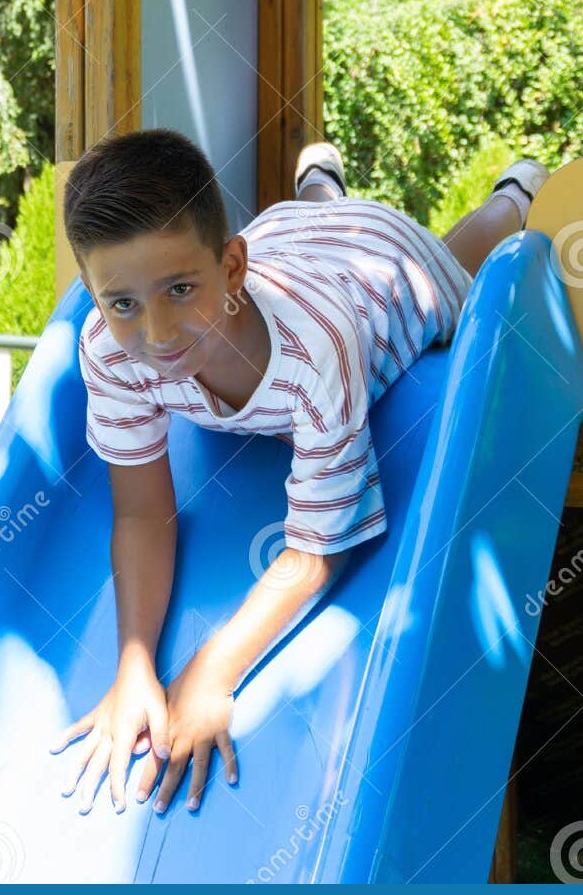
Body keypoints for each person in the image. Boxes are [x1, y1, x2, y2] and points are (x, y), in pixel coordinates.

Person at [49, 128, 548, 816]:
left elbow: (320, 544)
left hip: (380, 258)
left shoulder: (317, 349)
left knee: (459, 255)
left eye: (178, 289)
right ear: (92, 292)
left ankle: (513, 193)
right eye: (123, 301)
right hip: (290, 239)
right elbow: (141, 513)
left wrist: (213, 669)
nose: (157, 334)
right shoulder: (109, 348)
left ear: (228, 269)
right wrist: (134, 661)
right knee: (309, 214)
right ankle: (317, 188)